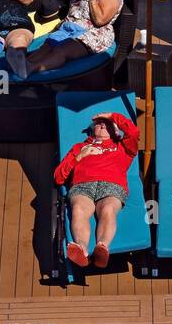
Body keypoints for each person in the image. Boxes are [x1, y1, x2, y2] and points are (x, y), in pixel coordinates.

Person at [53, 110, 140, 269]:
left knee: (107, 209)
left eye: (107, 124)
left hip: (111, 185)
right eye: (99, 123)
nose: (102, 124)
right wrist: (79, 157)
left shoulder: (122, 147)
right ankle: (81, 249)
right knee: (78, 209)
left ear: (116, 131)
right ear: (92, 129)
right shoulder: (80, 147)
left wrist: (113, 116)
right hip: (82, 185)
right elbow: (58, 176)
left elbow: (134, 132)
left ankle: (102, 247)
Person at [26, 0, 122, 76]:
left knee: (60, 50)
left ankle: (31, 69)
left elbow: (100, 20)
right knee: (46, 47)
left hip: (92, 32)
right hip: (69, 28)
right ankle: (21, 65)